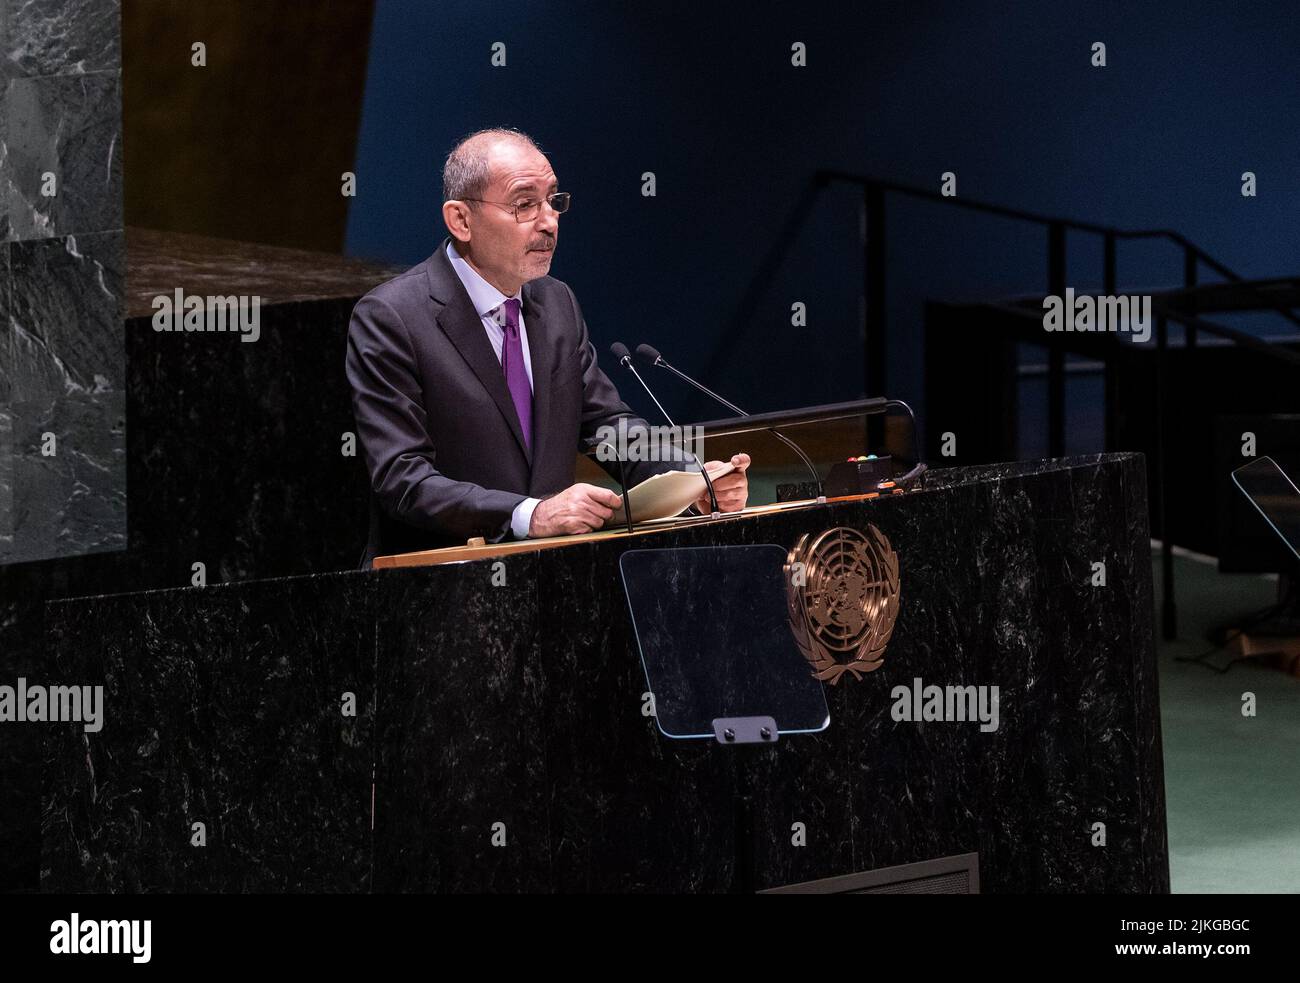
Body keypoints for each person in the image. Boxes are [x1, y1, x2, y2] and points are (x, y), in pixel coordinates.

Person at [346, 127, 749, 567]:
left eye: (553, 200)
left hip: (551, 578)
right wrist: (528, 514)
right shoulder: (392, 317)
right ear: (461, 220)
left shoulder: (555, 302)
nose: (549, 221)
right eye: (524, 205)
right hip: (436, 586)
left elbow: (606, 426)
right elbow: (402, 478)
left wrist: (689, 478)